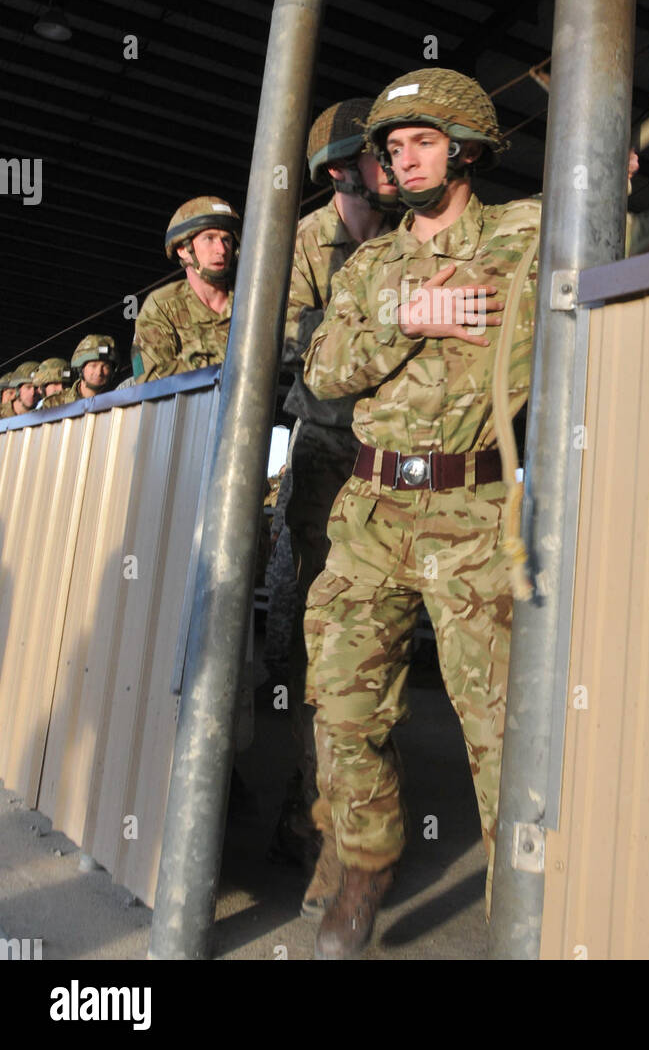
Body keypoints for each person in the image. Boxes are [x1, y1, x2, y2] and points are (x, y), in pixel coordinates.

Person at [300, 67, 537, 959]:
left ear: (466, 148)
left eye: (420, 142)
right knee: (344, 707)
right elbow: (322, 372)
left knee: (501, 726)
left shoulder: (527, 234)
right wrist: (415, 312)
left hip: (475, 509)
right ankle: (363, 867)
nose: (400, 159)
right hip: (371, 511)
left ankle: (521, 910)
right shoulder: (370, 265)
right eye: (391, 148)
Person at [265, 98, 400, 886]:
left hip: (392, 451)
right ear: (343, 167)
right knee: (300, 645)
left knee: (365, 648)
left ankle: (341, 811)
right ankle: (295, 812)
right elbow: (289, 339)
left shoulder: (408, 236)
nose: (397, 165)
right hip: (323, 452)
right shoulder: (305, 243)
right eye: (380, 153)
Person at [131, 197, 242, 380]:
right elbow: (151, 379)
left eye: (227, 240)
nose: (221, 250)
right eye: (209, 239)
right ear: (183, 249)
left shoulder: (252, 299)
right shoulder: (162, 306)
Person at [41, 336, 119, 406]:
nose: (99, 372)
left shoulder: (118, 401)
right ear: (81, 368)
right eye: (93, 366)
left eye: (106, 366)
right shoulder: (54, 403)